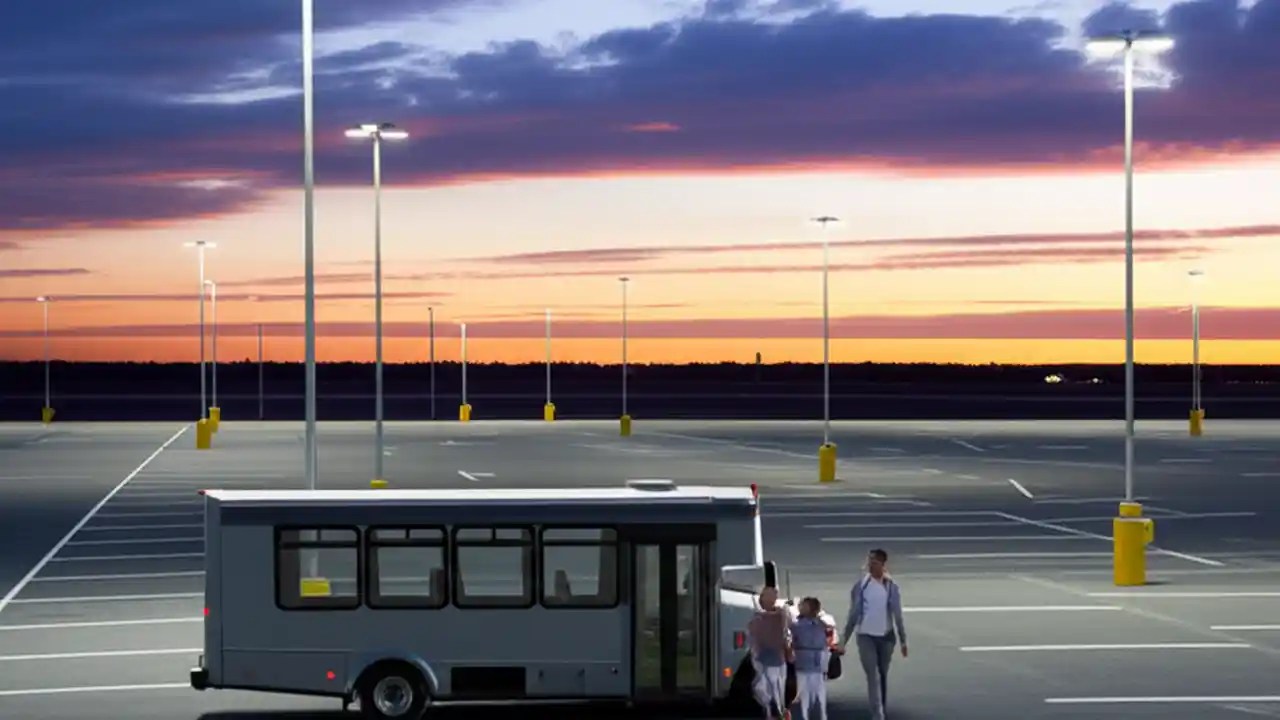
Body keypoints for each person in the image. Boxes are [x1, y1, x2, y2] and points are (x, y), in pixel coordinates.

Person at [839, 549, 907, 720]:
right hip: (865, 636)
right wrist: (843, 640)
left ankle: (881, 707)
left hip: (886, 637)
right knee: (873, 675)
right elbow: (853, 614)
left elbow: (897, 614)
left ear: (883, 565)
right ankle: (878, 715)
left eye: (874, 563)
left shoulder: (891, 586)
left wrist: (903, 640)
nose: (870, 566)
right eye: (869, 562)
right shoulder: (861, 586)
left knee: (882, 674)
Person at [789, 597, 838, 720]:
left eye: (804, 605)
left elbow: (830, 641)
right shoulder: (797, 625)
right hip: (804, 663)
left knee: (816, 693)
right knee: (805, 693)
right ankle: (807, 716)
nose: (800, 607)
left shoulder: (821, 624)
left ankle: (819, 715)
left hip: (816, 664)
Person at [747, 586, 791, 719]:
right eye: (766, 596)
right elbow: (752, 634)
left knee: (776, 687)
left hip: (776, 658)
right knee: (761, 688)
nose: (769, 599)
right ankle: (770, 712)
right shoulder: (757, 617)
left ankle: (778, 712)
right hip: (761, 657)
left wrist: (788, 650)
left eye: (772, 596)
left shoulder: (781, 614)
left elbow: (785, 632)